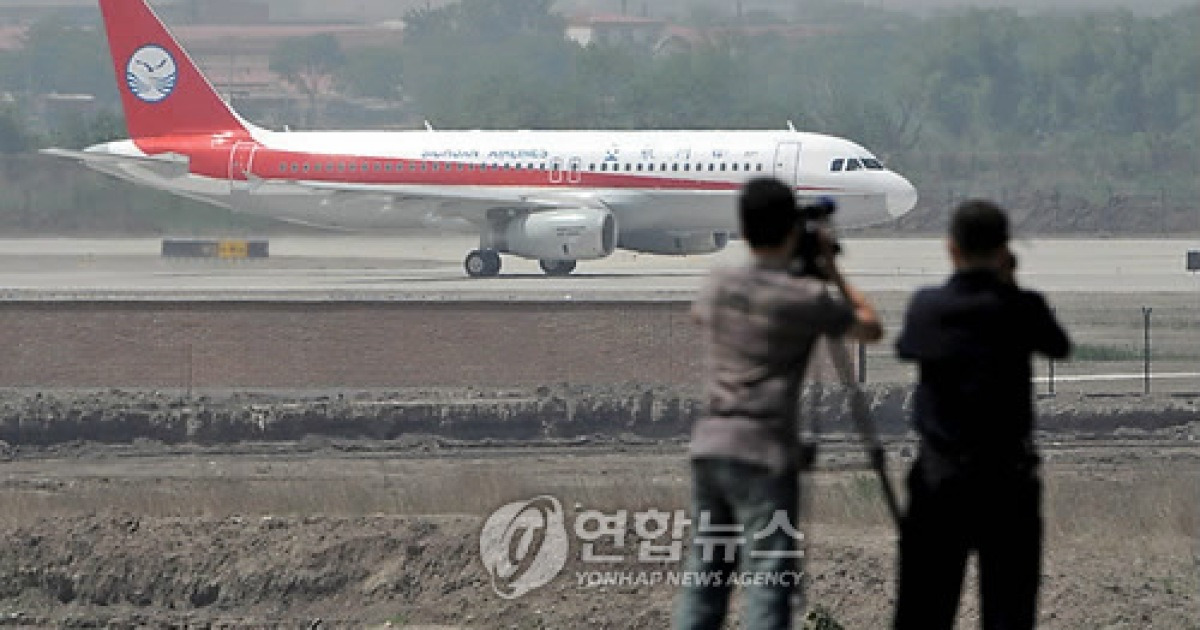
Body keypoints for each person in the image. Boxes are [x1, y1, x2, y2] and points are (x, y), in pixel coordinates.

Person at [674, 177, 883, 630]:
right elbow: (870, 328)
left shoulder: (717, 284)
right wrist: (829, 268)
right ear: (792, 230)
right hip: (764, 453)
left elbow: (700, 315)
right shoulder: (804, 299)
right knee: (769, 579)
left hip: (710, 447)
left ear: (744, 232)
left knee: (705, 577)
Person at [892, 200, 1070, 630]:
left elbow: (906, 346)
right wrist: (1008, 284)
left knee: (923, 609)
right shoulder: (1021, 308)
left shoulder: (928, 307)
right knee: (1009, 610)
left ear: (951, 249)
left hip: (940, 480)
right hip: (1007, 479)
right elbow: (1058, 345)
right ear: (1005, 251)